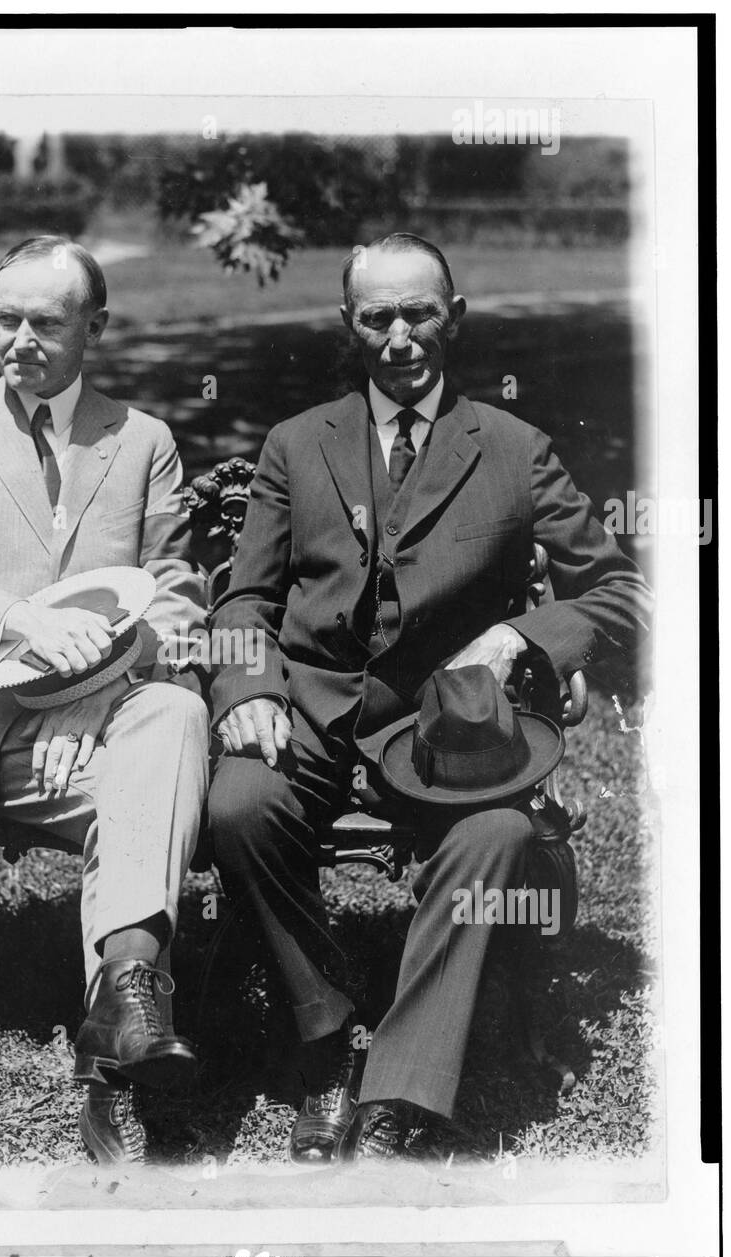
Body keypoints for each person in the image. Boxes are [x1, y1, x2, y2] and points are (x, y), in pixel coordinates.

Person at [207, 233, 652, 1164]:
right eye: (378, 317)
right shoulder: (297, 443)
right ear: (349, 325)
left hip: (448, 736)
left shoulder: (514, 448)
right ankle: (323, 1040)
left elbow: (620, 590)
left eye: (419, 313)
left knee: (496, 835)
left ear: (454, 317)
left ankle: (397, 1091)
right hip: (311, 713)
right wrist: (247, 688)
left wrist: (519, 638)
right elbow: (245, 598)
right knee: (239, 807)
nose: (400, 337)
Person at [0, 236, 209, 1164]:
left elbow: (175, 593)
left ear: (93, 328)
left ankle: (118, 1034)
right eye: (6, 319)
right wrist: (21, 623)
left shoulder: (142, 441)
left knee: (174, 713)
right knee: (154, 777)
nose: (20, 340)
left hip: (109, 719)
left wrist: (96, 694)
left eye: (45, 323)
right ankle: (129, 1020)